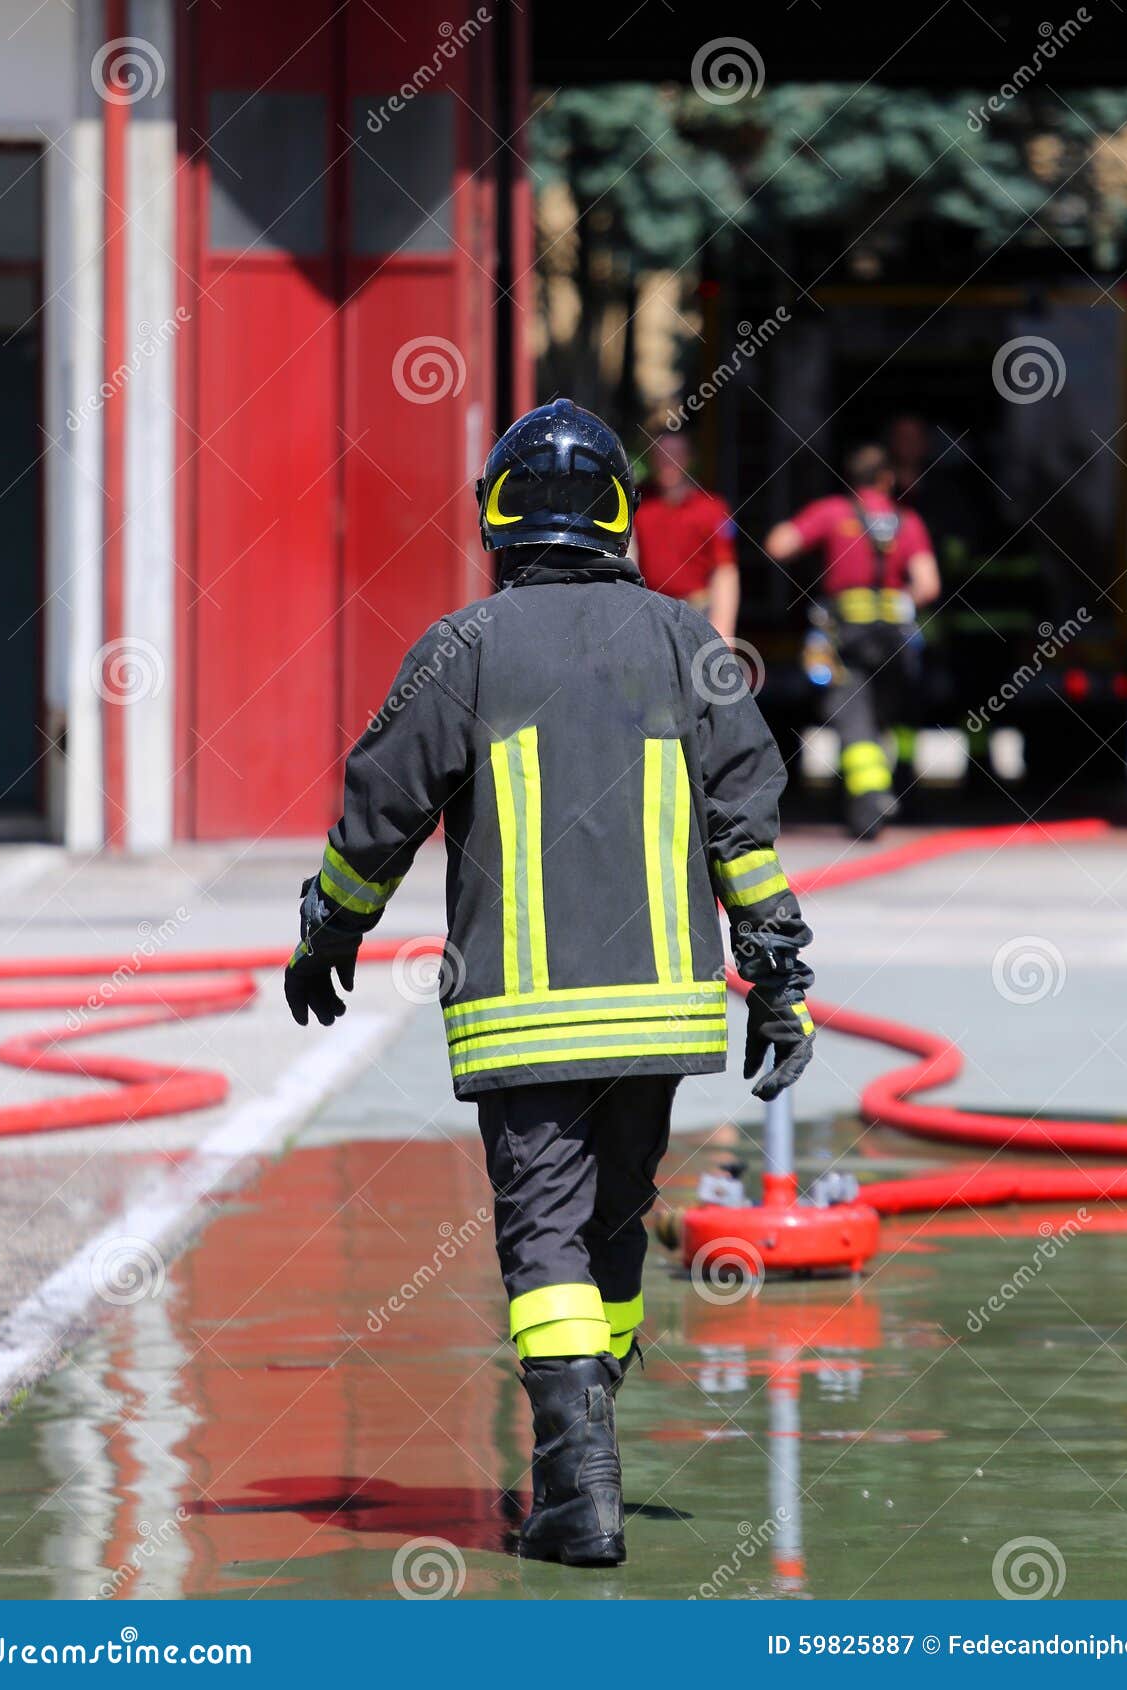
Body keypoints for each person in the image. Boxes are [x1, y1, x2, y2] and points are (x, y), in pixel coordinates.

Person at [283, 399, 815, 1569]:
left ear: (498, 516)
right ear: (619, 516)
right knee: (611, 1230)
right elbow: (745, 829)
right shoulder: (687, 644)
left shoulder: (463, 648)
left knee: (543, 1242)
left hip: (525, 1017)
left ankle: (579, 1495)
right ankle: (588, 1453)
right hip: (663, 1012)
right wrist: (777, 975)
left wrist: (329, 928)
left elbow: (380, 814)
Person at [766, 444, 940, 838]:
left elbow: (779, 544)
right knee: (887, 716)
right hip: (895, 639)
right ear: (886, 478)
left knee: (854, 718)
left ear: (851, 479)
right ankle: (899, 790)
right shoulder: (906, 520)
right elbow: (928, 585)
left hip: (845, 638)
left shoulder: (833, 513)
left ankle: (868, 806)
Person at [632, 432, 740, 641]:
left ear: (689, 459)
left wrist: (724, 632)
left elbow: (725, 571)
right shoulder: (637, 503)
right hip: (650, 611)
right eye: (661, 455)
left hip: (697, 613)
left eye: (675, 454)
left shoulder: (712, 508)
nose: (668, 461)